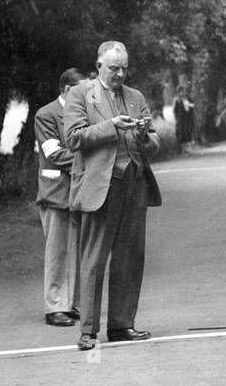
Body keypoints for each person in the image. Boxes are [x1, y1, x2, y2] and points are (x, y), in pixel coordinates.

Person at [64, 41, 162, 350]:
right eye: (113, 68)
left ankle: (122, 325)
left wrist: (146, 136)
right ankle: (88, 332)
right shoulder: (81, 94)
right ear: (98, 67)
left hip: (134, 182)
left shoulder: (135, 97)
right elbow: (73, 138)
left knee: (130, 258)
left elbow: (154, 142)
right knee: (94, 259)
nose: (120, 74)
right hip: (100, 187)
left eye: (124, 68)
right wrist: (111, 127)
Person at [34, 68, 85, 327]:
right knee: (56, 250)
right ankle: (54, 306)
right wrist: (88, 164)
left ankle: (68, 303)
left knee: (74, 248)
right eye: (81, 90)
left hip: (78, 191)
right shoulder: (46, 114)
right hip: (55, 192)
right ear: (66, 89)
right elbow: (53, 152)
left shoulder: (83, 112)